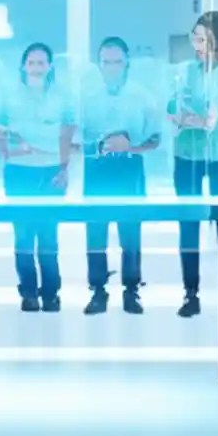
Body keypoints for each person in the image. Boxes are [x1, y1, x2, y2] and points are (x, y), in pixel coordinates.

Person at [81, 37, 161, 315]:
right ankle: (97, 291)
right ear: (98, 63)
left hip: (130, 168)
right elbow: (76, 137)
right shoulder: (87, 98)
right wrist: (99, 146)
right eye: (106, 61)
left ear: (127, 63)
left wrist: (132, 146)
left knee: (131, 232)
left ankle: (131, 291)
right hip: (97, 169)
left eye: (117, 61)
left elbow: (156, 139)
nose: (112, 67)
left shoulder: (142, 96)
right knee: (95, 232)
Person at [0, 42, 75, 312]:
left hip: (51, 170)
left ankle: (51, 293)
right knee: (23, 235)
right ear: (23, 66)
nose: (37, 68)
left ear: (50, 66)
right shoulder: (9, 95)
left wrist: (64, 169)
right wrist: (9, 151)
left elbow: (67, 134)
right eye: (32, 63)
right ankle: (28, 292)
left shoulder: (63, 96)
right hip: (19, 171)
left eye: (42, 63)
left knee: (49, 235)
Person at [170, 12, 218, 318]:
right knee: (188, 224)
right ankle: (191, 292)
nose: (197, 45)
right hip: (186, 155)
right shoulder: (185, 71)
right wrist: (180, 115)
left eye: (204, 39)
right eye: (194, 38)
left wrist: (208, 121)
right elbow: (173, 106)